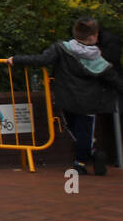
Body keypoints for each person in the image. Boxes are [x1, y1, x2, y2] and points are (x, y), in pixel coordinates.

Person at [9, 17, 123, 175]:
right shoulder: (98, 59)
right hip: (88, 101)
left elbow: (42, 59)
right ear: (92, 37)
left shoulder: (61, 48)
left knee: (72, 128)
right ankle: (82, 162)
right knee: (85, 132)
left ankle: (89, 154)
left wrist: (16, 59)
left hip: (66, 97)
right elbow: (114, 79)